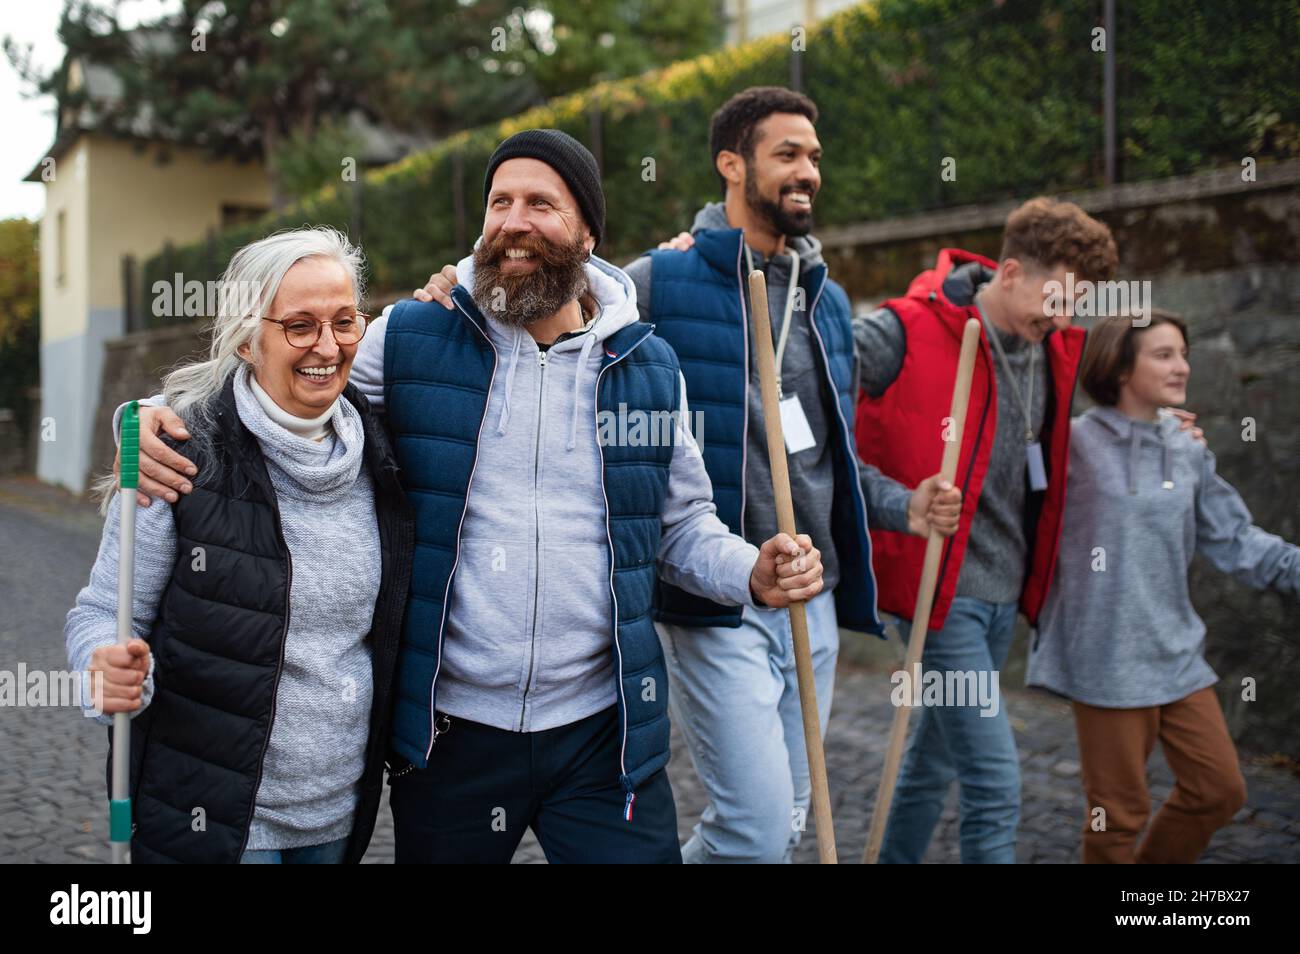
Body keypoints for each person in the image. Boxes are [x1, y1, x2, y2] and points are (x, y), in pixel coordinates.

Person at [114, 129, 827, 864]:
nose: (513, 220)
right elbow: (281, 390)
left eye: (540, 203)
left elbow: (681, 528)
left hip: (604, 736)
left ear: (587, 231)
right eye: (499, 202)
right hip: (452, 735)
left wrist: (752, 571)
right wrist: (137, 422)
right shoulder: (414, 337)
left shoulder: (648, 365)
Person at [419, 88, 962, 863]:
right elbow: (566, 289)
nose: (808, 170)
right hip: (712, 599)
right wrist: (455, 282)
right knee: (758, 825)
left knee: (793, 816)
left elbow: (830, 456)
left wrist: (903, 506)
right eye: (788, 154)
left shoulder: (828, 303)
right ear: (730, 165)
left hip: (811, 586)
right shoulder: (662, 281)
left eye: (814, 156)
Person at [67, 228, 414, 863]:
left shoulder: (383, 452)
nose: (327, 346)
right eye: (300, 326)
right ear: (247, 340)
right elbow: (100, 615)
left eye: (344, 322)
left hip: (337, 813)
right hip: (215, 815)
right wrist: (104, 668)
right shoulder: (172, 453)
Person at [854, 197, 1119, 863]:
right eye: (1053, 299)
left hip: (1003, 596)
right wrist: (894, 500)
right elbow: (813, 383)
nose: (1061, 319)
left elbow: (1093, 431)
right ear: (1008, 272)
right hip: (939, 595)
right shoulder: (907, 329)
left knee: (929, 764)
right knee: (995, 781)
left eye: (1073, 306)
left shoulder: (1050, 350)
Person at [1027, 312, 1300, 863]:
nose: (1183, 367)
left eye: (1183, 353)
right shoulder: (1072, 445)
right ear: (1121, 366)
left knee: (1219, 790)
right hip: (1105, 658)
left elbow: (1236, 539)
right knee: (1117, 818)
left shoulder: (1188, 448)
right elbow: (1013, 499)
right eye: (1164, 354)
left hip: (1176, 654)